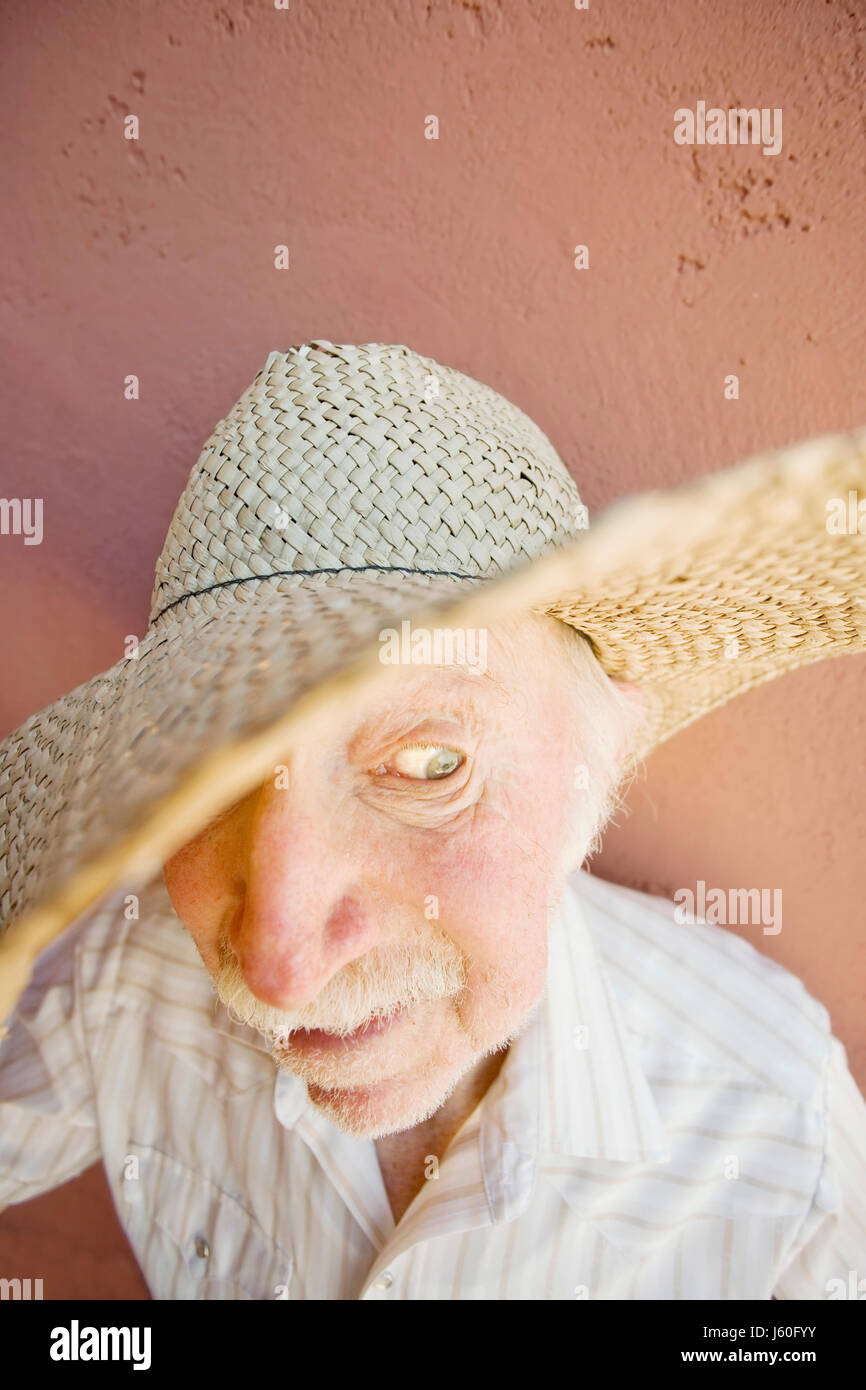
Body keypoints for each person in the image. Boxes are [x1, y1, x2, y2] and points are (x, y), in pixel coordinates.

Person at [1, 341, 864, 1299]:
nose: (281, 971)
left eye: (428, 764)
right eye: (210, 777)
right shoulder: (123, 983)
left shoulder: (781, 1135)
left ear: (602, 754)